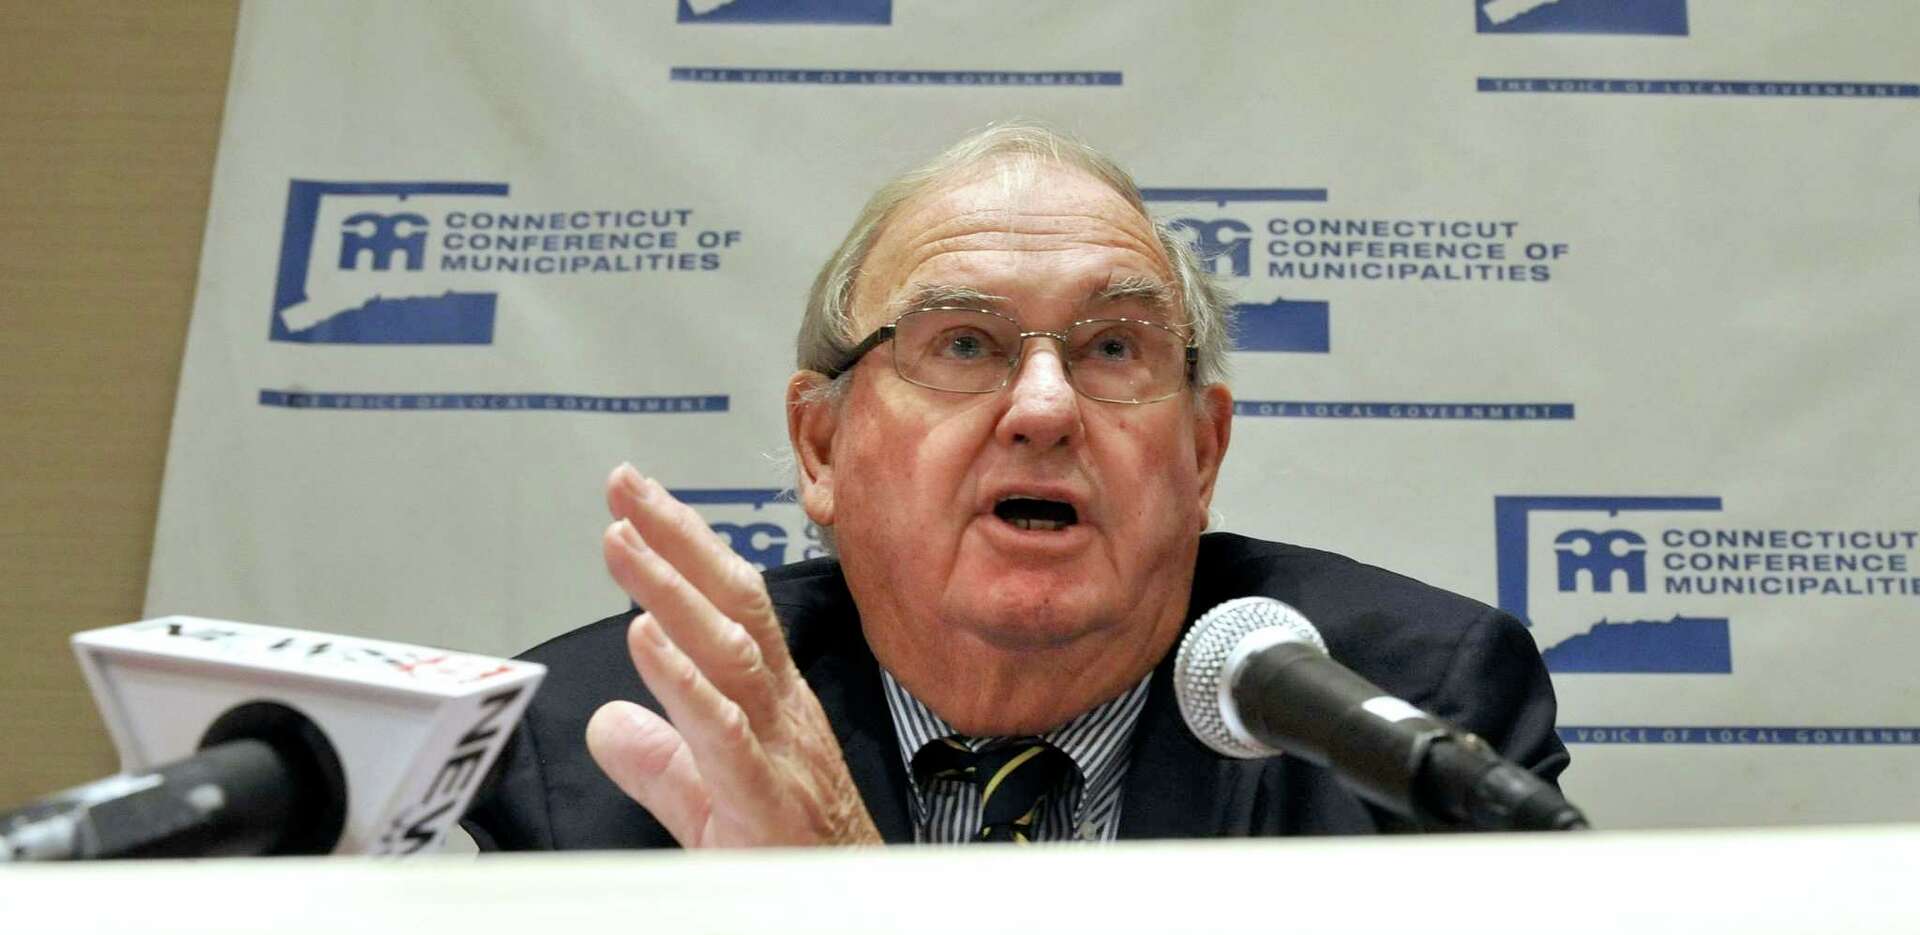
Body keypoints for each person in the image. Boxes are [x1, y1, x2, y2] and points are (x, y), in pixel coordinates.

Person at [462, 123, 1569, 851]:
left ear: (1201, 454)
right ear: (821, 446)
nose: (1044, 406)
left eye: (1114, 347)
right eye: (963, 344)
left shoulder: (1408, 709)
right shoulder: (606, 739)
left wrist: (839, 906)